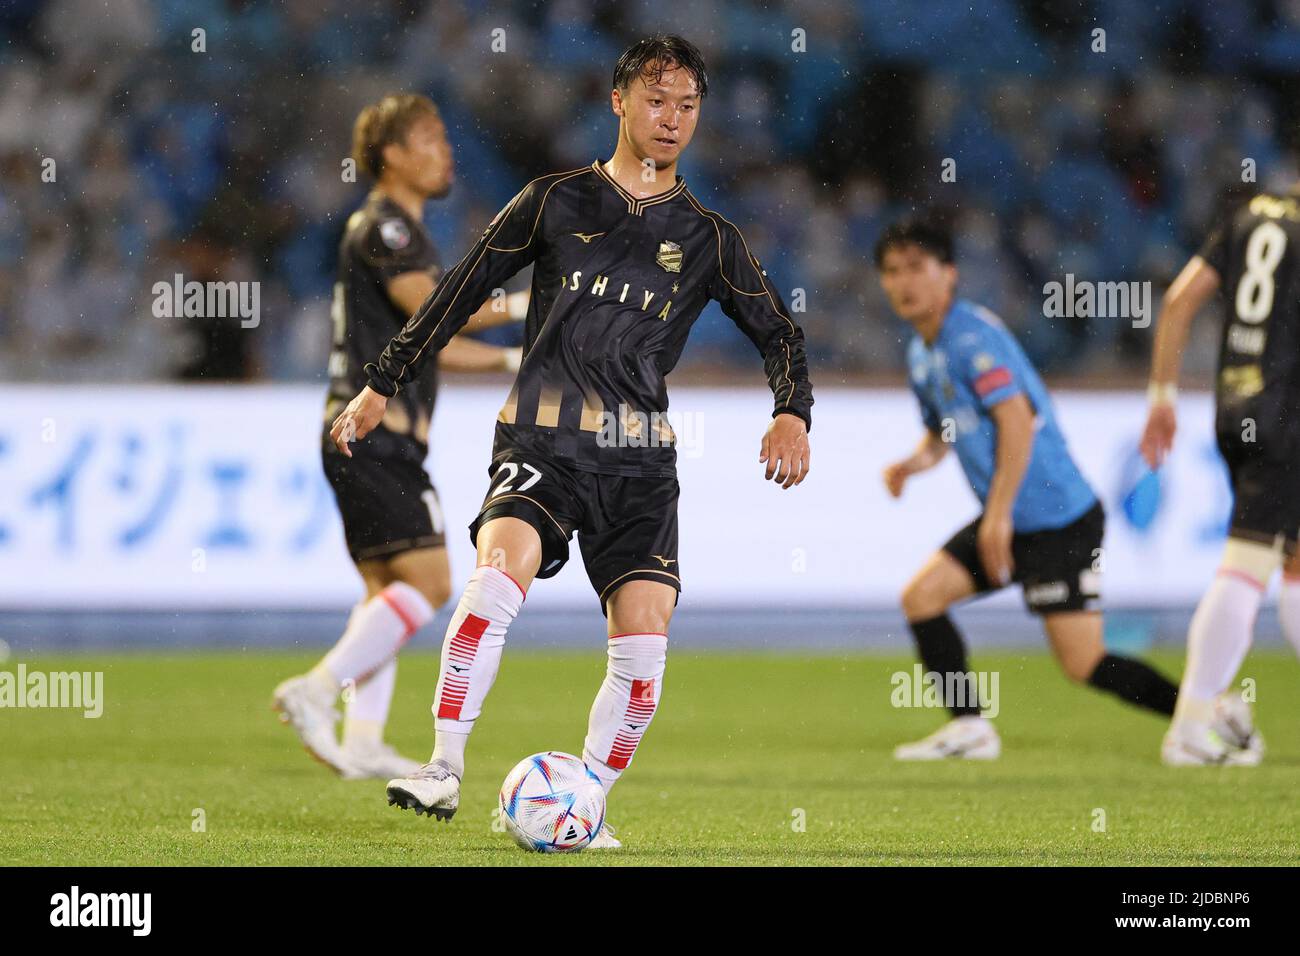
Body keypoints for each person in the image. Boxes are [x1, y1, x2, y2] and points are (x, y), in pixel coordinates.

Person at [329, 36, 813, 848]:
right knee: (494, 579)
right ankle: (444, 768)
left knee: (645, 658)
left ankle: (585, 799)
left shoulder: (709, 239)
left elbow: (781, 335)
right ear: (618, 102)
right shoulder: (554, 201)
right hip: (542, 443)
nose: (672, 120)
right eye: (656, 101)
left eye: (688, 106)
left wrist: (791, 411)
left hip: (639, 467)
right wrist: (383, 382)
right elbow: (458, 293)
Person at [273, 94, 526, 779]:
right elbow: (438, 309)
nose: (445, 152)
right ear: (392, 154)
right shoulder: (385, 229)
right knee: (432, 580)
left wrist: (515, 359)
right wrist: (542, 300)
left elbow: (434, 341)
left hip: (365, 437)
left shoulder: (395, 233)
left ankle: (361, 740)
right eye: (430, 139)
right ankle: (315, 690)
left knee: (385, 588)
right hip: (374, 434)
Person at [877, 217, 1179, 760]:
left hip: (1057, 518)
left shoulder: (971, 337)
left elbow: (1016, 420)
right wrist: (912, 465)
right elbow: (940, 434)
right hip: (1013, 515)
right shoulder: (922, 354)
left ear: (949, 274)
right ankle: (970, 727)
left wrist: (996, 518)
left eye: (917, 268)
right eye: (893, 271)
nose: (905, 283)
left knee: (1084, 664)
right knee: (922, 598)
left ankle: (1201, 714)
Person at [1140, 188, 1300, 765]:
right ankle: (1190, 723)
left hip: (1236, 410)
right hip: (1287, 419)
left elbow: (1180, 302)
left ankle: (1203, 713)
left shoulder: (1249, 214)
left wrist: (1161, 395)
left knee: (1292, 559)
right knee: (1249, 562)